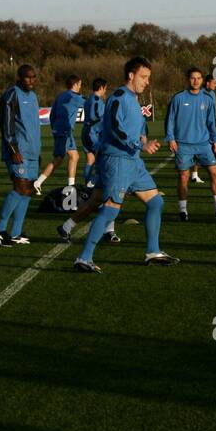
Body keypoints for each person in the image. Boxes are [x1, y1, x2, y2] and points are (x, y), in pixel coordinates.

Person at [74, 56, 179, 272]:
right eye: (144, 77)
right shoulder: (118, 97)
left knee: (156, 202)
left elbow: (134, 130)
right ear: (131, 75)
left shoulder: (133, 99)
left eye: (149, 77)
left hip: (133, 162)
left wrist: (143, 140)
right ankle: (84, 258)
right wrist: (138, 144)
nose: (147, 81)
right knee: (111, 210)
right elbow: (114, 128)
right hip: (118, 160)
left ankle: (152, 251)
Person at [165, 67, 216, 222]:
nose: (196, 81)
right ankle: (183, 210)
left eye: (198, 78)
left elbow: (211, 122)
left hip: (203, 144)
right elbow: (170, 120)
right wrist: (170, 138)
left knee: (215, 173)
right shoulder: (178, 98)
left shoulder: (207, 98)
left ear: (202, 80)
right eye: (193, 78)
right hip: (183, 145)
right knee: (184, 176)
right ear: (188, 80)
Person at [0, 64, 41, 247]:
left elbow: (34, 126)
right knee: (20, 187)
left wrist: (37, 152)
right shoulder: (12, 94)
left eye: (34, 77)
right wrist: (13, 149)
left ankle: (16, 232)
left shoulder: (34, 96)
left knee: (28, 190)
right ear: (19, 77)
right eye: (28, 77)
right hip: (18, 152)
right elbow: (6, 124)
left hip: (32, 151)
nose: (32, 80)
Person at [34, 75, 84, 195]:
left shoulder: (60, 96)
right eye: (80, 84)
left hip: (59, 130)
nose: (80, 87)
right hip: (65, 131)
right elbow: (91, 104)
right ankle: (38, 183)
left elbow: (52, 115)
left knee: (72, 156)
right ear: (76, 84)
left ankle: (69, 186)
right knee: (61, 158)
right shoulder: (74, 97)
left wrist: (55, 129)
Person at [81, 77, 108, 188]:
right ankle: (92, 181)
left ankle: (87, 185)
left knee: (90, 159)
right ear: (101, 87)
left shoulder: (88, 99)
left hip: (86, 131)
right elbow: (98, 118)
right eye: (105, 88)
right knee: (103, 158)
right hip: (93, 134)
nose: (105, 91)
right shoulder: (97, 101)